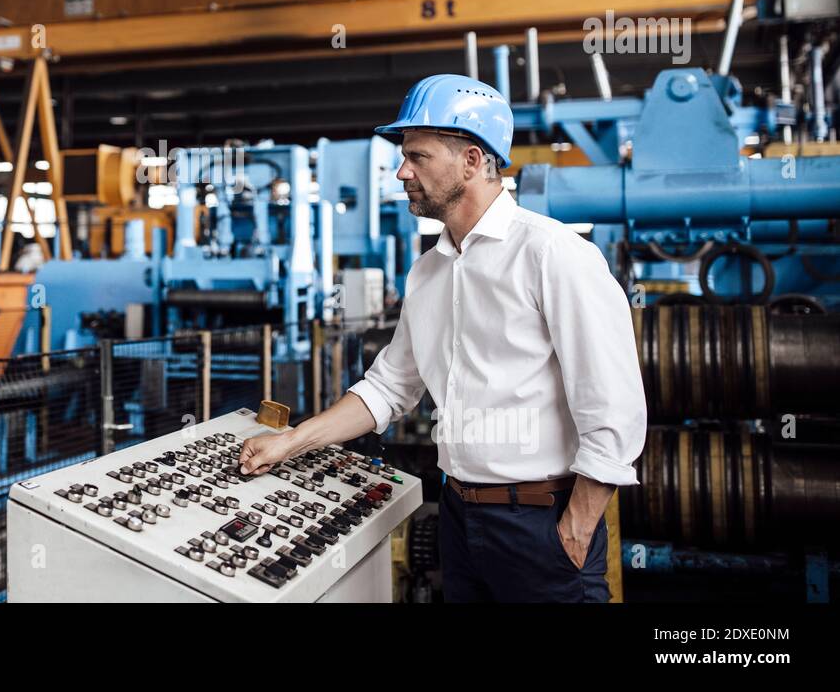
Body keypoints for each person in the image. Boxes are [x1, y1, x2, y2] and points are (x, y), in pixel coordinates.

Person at [238, 73, 646, 602]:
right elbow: (388, 390)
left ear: (473, 160)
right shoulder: (429, 272)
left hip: (543, 523)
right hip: (458, 516)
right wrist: (293, 441)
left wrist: (577, 525)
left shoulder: (552, 255)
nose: (402, 171)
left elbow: (612, 405)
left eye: (418, 156)